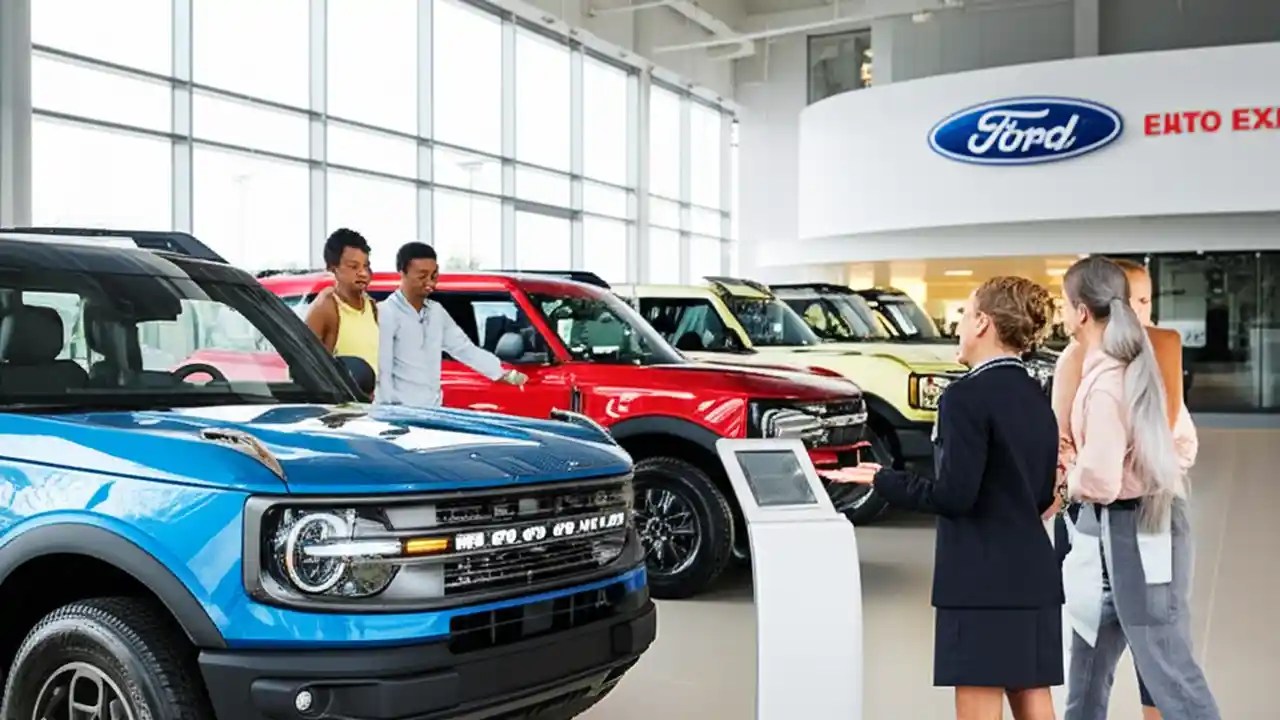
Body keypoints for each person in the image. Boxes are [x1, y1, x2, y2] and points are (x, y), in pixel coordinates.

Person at [826, 277, 1062, 720]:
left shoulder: (964, 397)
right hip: (1033, 574)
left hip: (980, 581)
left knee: (978, 704)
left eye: (965, 315)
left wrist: (885, 480)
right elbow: (1041, 493)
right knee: (1034, 700)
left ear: (983, 323)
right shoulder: (1035, 394)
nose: (959, 326)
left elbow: (955, 495)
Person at [1054, 257, 1219, 720]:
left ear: (1081, 311)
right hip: (1108, 525)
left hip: (1139, 522)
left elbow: (1100, 477)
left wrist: (1078, 474)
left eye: (1064, 304)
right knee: (1089, 657)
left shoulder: (1113, 378)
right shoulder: (1107, 365)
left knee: (1165, 660)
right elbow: (1179, 447)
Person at [376, 242, 526, 407]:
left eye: (434, 276)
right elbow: (382, 369)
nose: (430, 283)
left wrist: (501, 373)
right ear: (402, 273)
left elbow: (463, 347)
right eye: (422, 276)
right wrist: (387, 410)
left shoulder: (436, 311)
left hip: (432, 407)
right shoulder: (386, 312)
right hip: (399, 411)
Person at [305, 228, 379, 374]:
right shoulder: (326, 307)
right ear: (333, 268)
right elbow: (304, 364)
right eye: (353, 266)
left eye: (366, 266)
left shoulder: (372, 307)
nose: (363, 273)